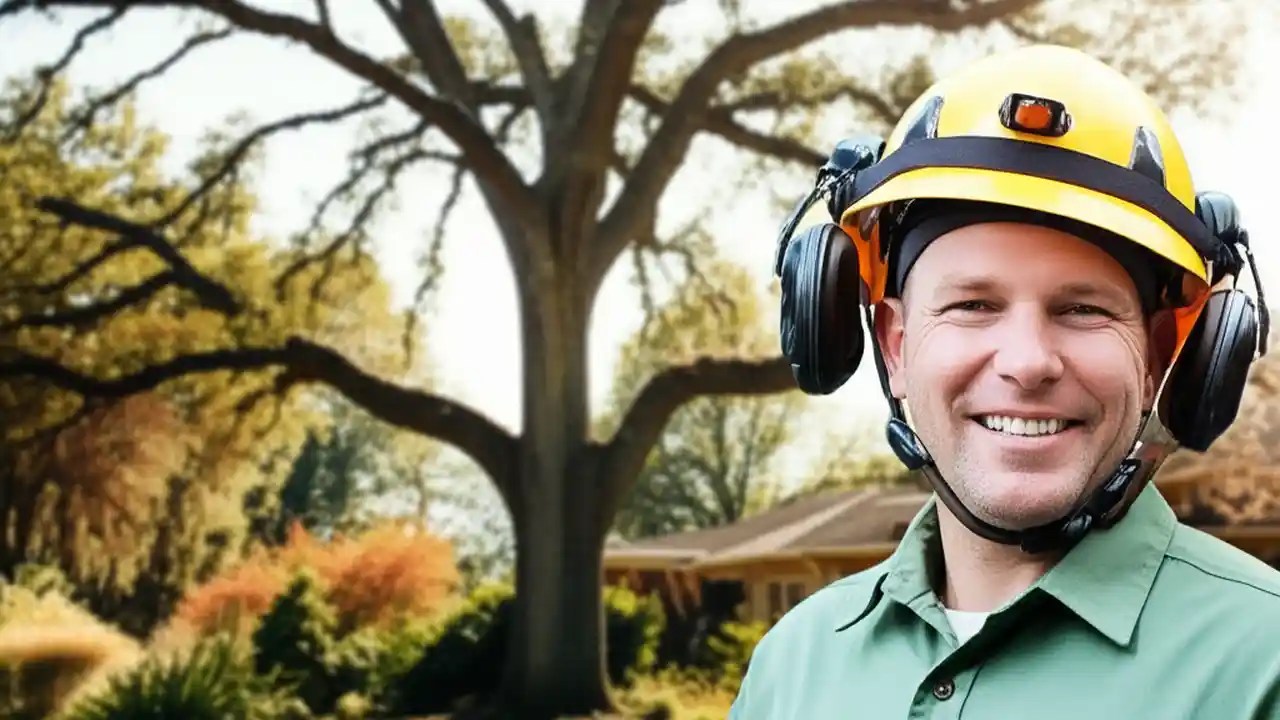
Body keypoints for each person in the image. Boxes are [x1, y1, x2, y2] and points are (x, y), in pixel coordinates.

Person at [732, 44, 1280, 718]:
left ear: (1158, 357)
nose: (1027, 362)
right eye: (972, 305)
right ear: (896, 345)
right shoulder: (792, 668)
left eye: (1083, 310)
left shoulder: (1264, 665)